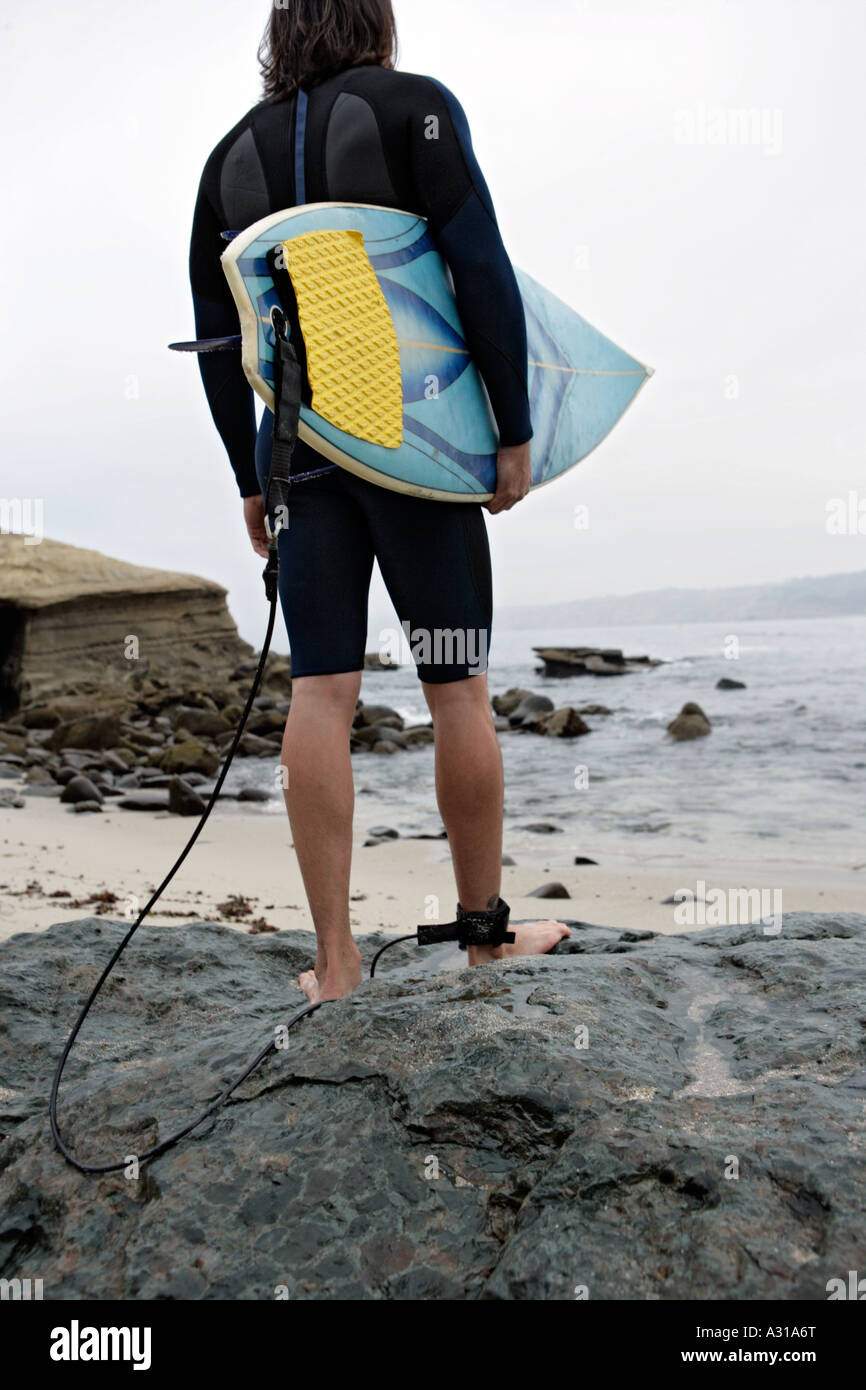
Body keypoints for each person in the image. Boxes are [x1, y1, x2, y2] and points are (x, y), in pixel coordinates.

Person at [189, 0, 569, 1002]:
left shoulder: (229, 155)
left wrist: (246, 475)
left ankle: (336, 962)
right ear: (374, 21)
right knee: (455, 687)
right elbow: (475, 267)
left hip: (298, 456)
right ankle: (483, 938)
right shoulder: (418, 111)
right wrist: (513, 424)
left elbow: (221, 341)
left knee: (320, 690)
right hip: (416, 444)